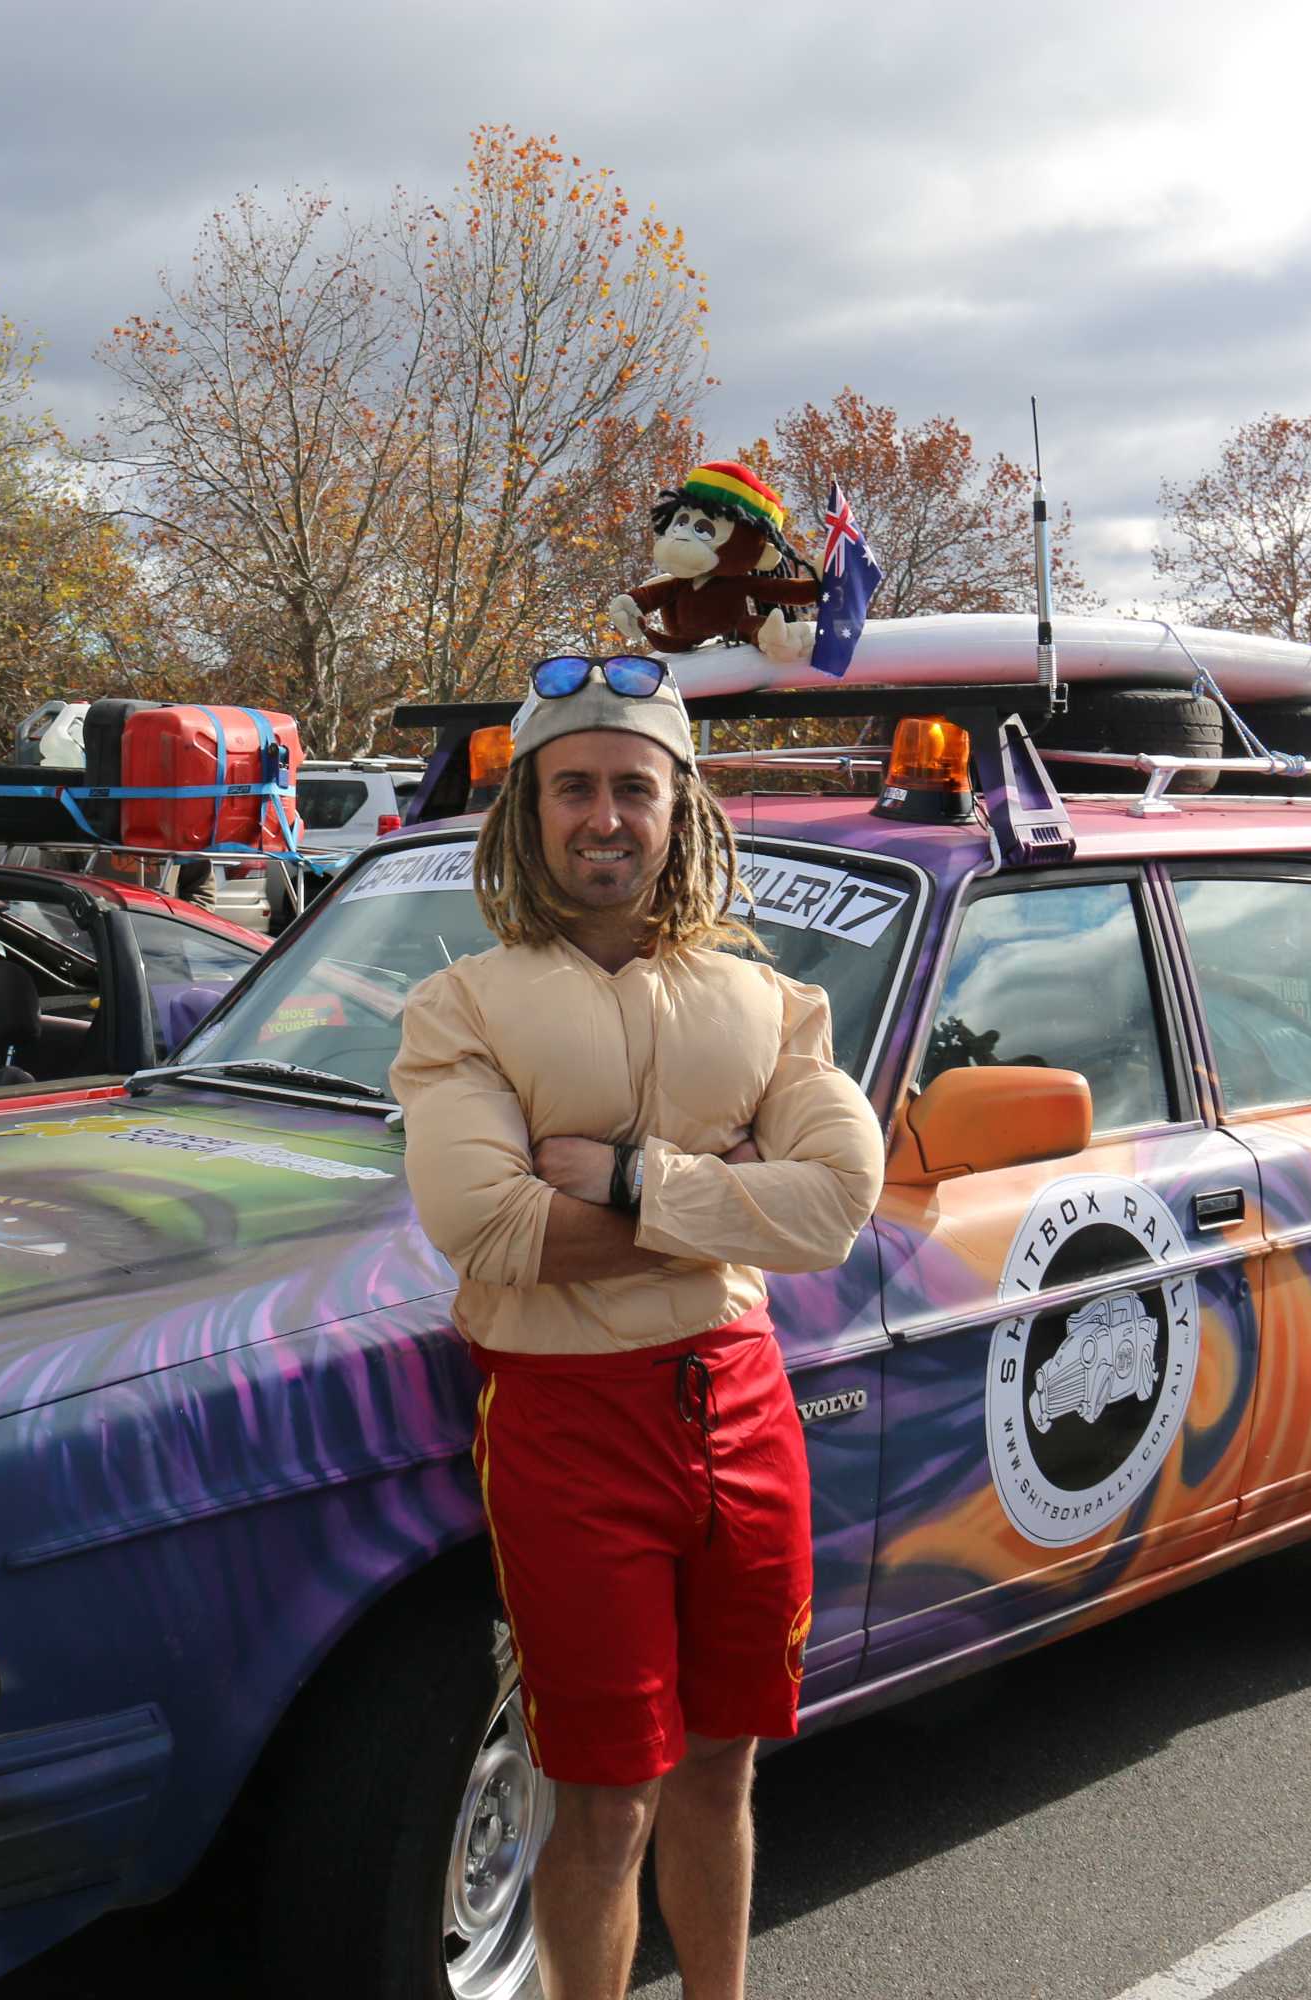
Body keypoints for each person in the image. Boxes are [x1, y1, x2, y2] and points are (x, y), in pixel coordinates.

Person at [388, 661, 882, 2000]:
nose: (604, 817)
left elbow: (836, 1205)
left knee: (723, 1770)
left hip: (742, 1403)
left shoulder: (772, 1004)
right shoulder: (463, 1008)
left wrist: (619, 1178)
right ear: (527, 815)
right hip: (565, 1426)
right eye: (574, 789)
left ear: (680, 812)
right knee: (603, 1799)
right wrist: (732, 1195)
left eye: (633, 789)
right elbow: (486, 1228)